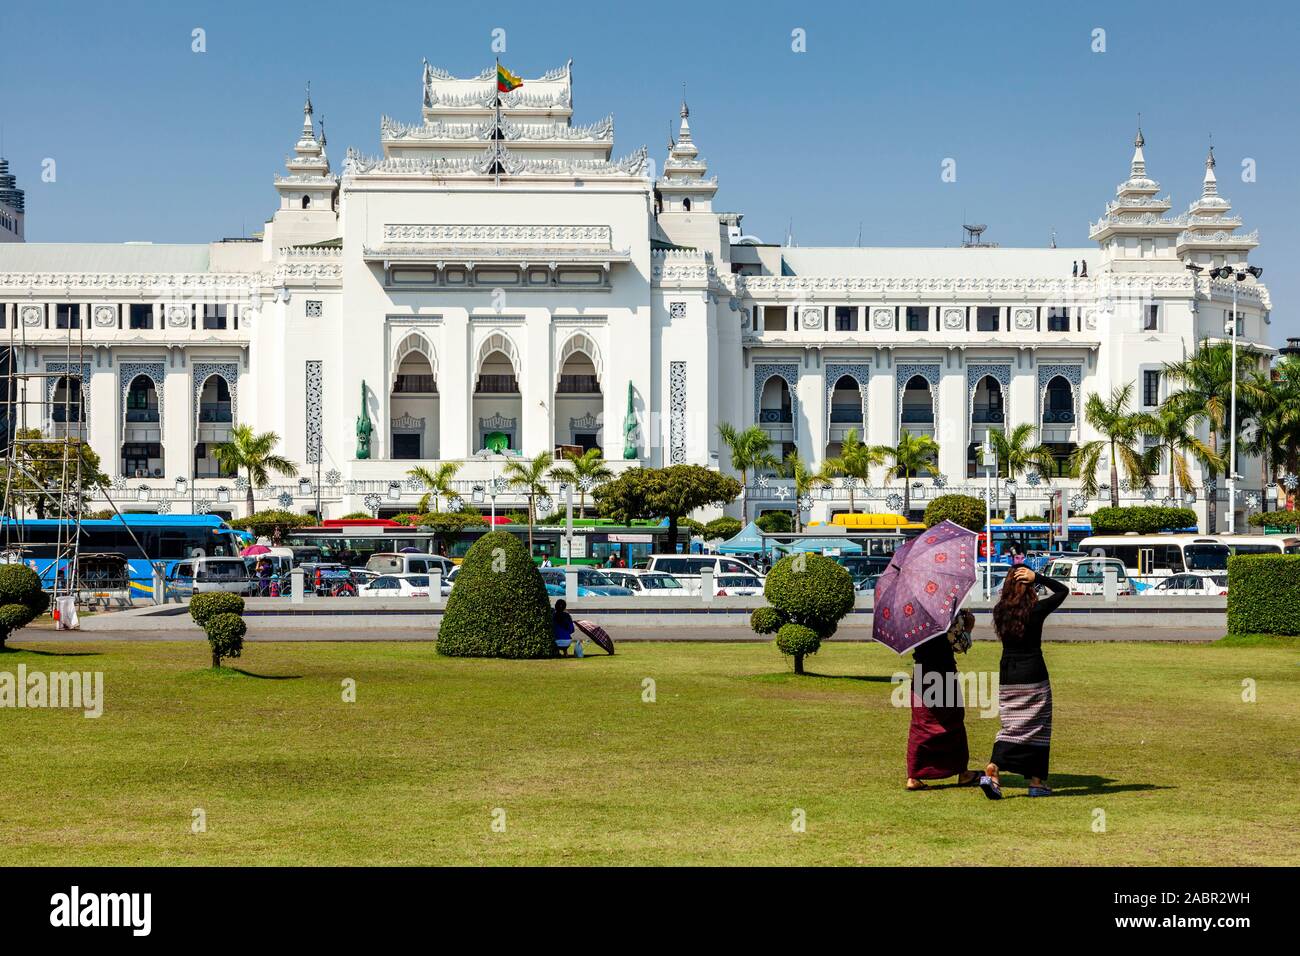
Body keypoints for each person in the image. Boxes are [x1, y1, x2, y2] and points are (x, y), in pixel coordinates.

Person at [980, 566, 1069, 799]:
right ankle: (1036, 782)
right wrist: (1037, 577)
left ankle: (994, 768)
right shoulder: (1036, 610)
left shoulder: (1000, 611)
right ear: (1028, 586)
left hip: (1008, 673)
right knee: (1039, 725)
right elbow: (1062, 591)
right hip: (1033, 672)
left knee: (1011, 725)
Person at [906, 609, 982, 791]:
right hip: (942, 671)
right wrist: (969, 627)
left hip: (922, 673)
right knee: (953, 722)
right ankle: (962, 773)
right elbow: (959, 645)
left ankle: (913, 776)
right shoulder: (945, 612)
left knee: (921, 725)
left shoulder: (910, 614)